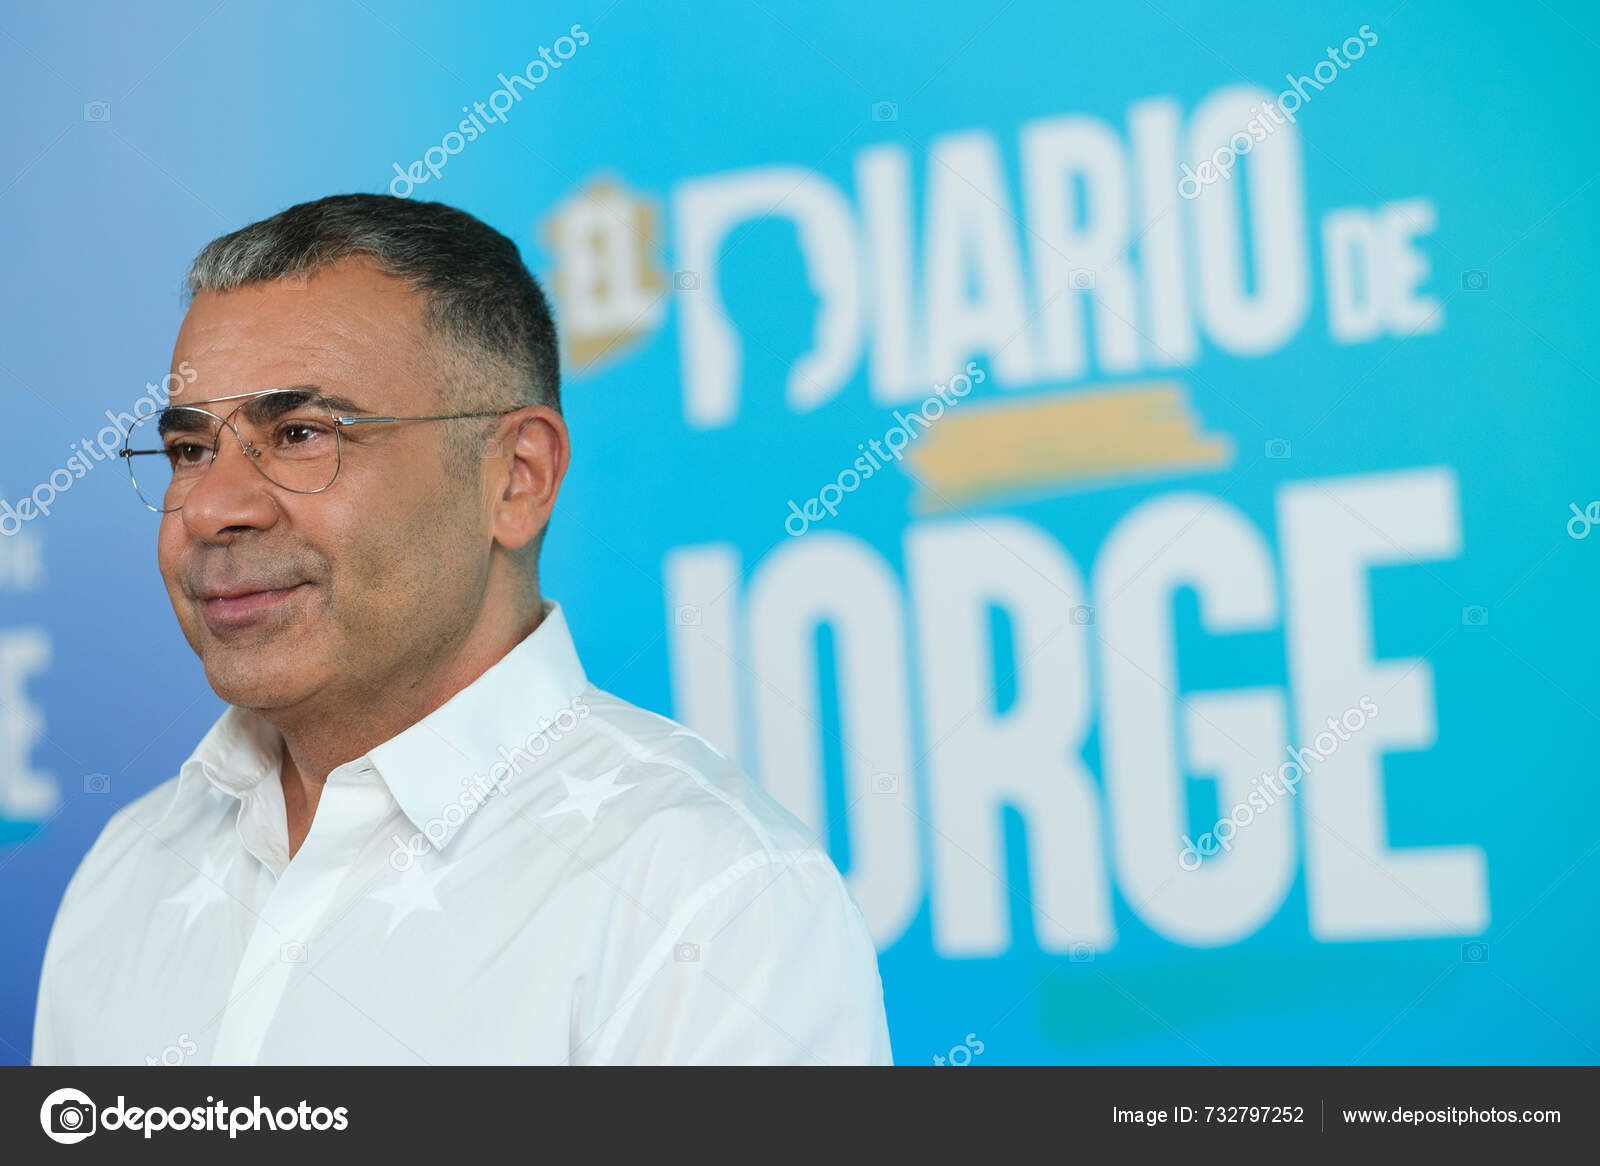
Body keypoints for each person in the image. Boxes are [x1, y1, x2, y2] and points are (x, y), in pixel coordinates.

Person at [32, 194, 892, 1066]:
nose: (213, 507)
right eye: (189, 451)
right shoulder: (131, 869)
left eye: (299, 434)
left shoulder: (709, 899)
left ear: (517, 478)